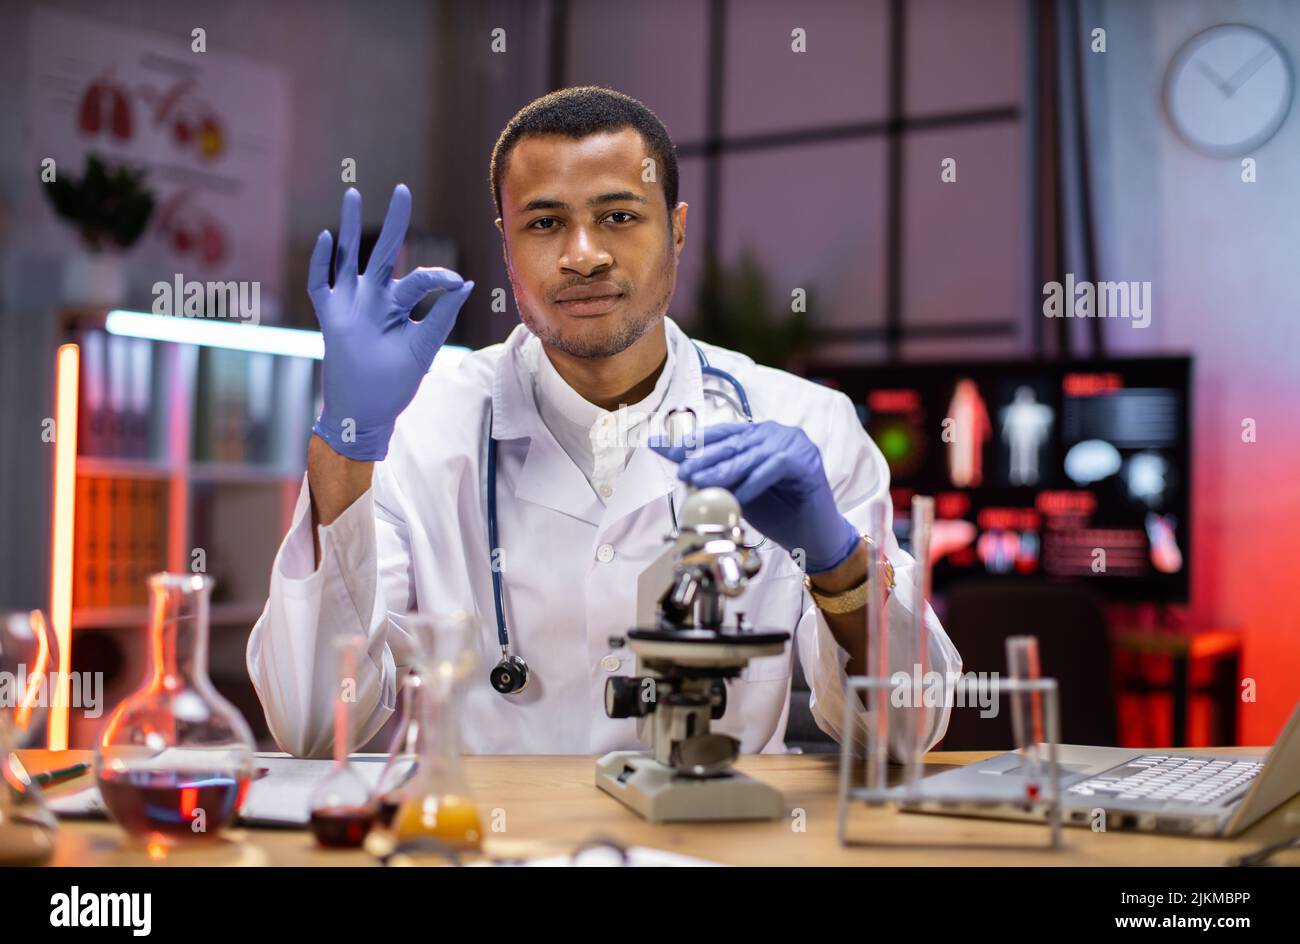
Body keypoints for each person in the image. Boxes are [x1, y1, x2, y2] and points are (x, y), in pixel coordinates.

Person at [246, 86, 961, 757]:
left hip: (717, 846)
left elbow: (908, 728)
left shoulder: (805, 422)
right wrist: (346, 437)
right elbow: (311, 724)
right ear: (507, 247)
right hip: (484, 846)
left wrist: (839, 567)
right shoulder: (414, 427)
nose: (583, 255)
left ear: (677, 231)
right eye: (545, 222)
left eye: (619, 216)